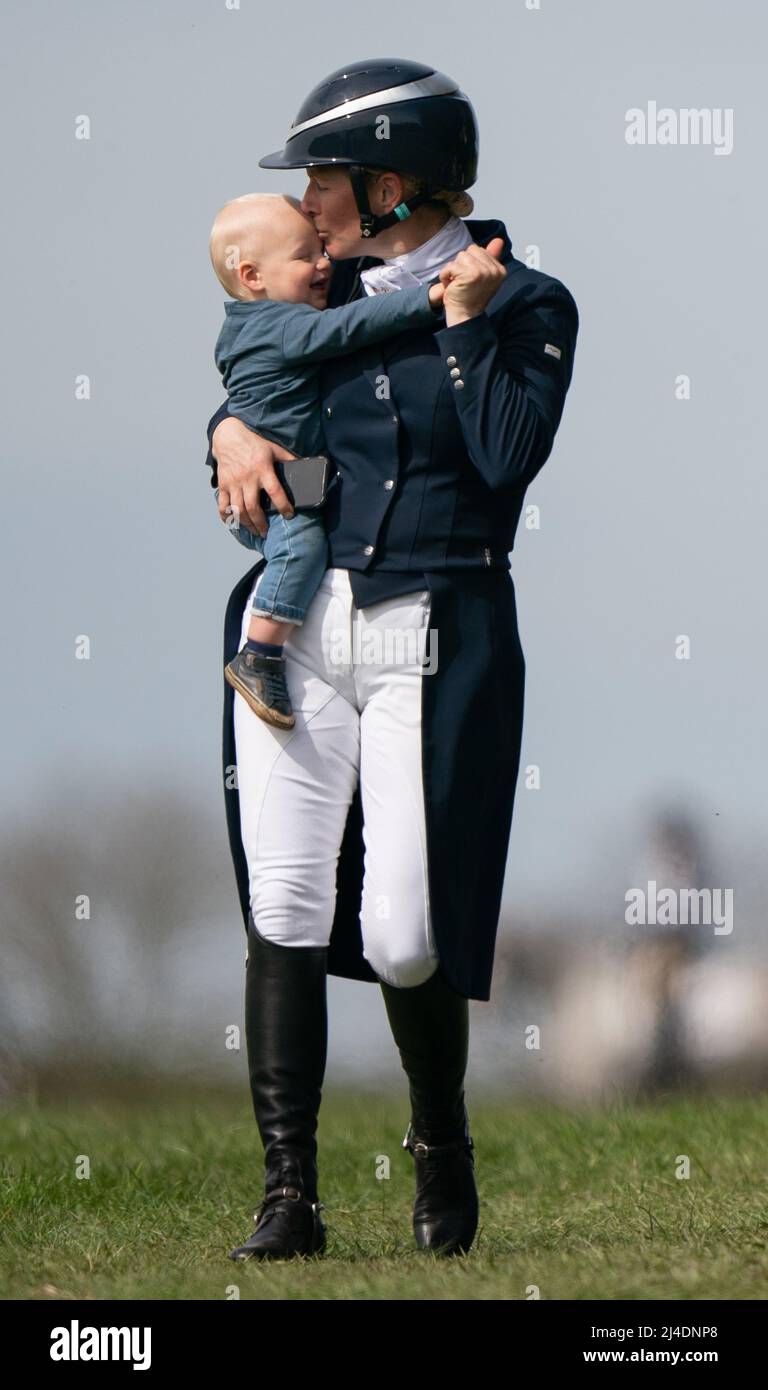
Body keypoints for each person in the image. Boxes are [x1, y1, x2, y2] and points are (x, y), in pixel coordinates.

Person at [205, 57, 579, 1262]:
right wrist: (221, 434)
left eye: (324, 178)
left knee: (409, 931)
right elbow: (270, 414)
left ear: (391, 181)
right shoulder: (320, 294)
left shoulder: (529, 305)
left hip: (438, 630)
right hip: (299, 632)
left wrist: (462, 330)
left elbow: (502, 462)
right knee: (287, 903)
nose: (308, 204)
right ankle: (289, 1194)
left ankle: (439, 1139)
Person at [209, 191, 446, 727]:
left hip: (281, 484)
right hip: (272, 497)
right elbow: (348, 326)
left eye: (320, 250)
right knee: (302, 544)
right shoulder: (282, 326)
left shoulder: (246, 325)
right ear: (251, 276)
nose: (323, 265)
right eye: (303, 257)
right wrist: (428, 298)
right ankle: (260, 653)